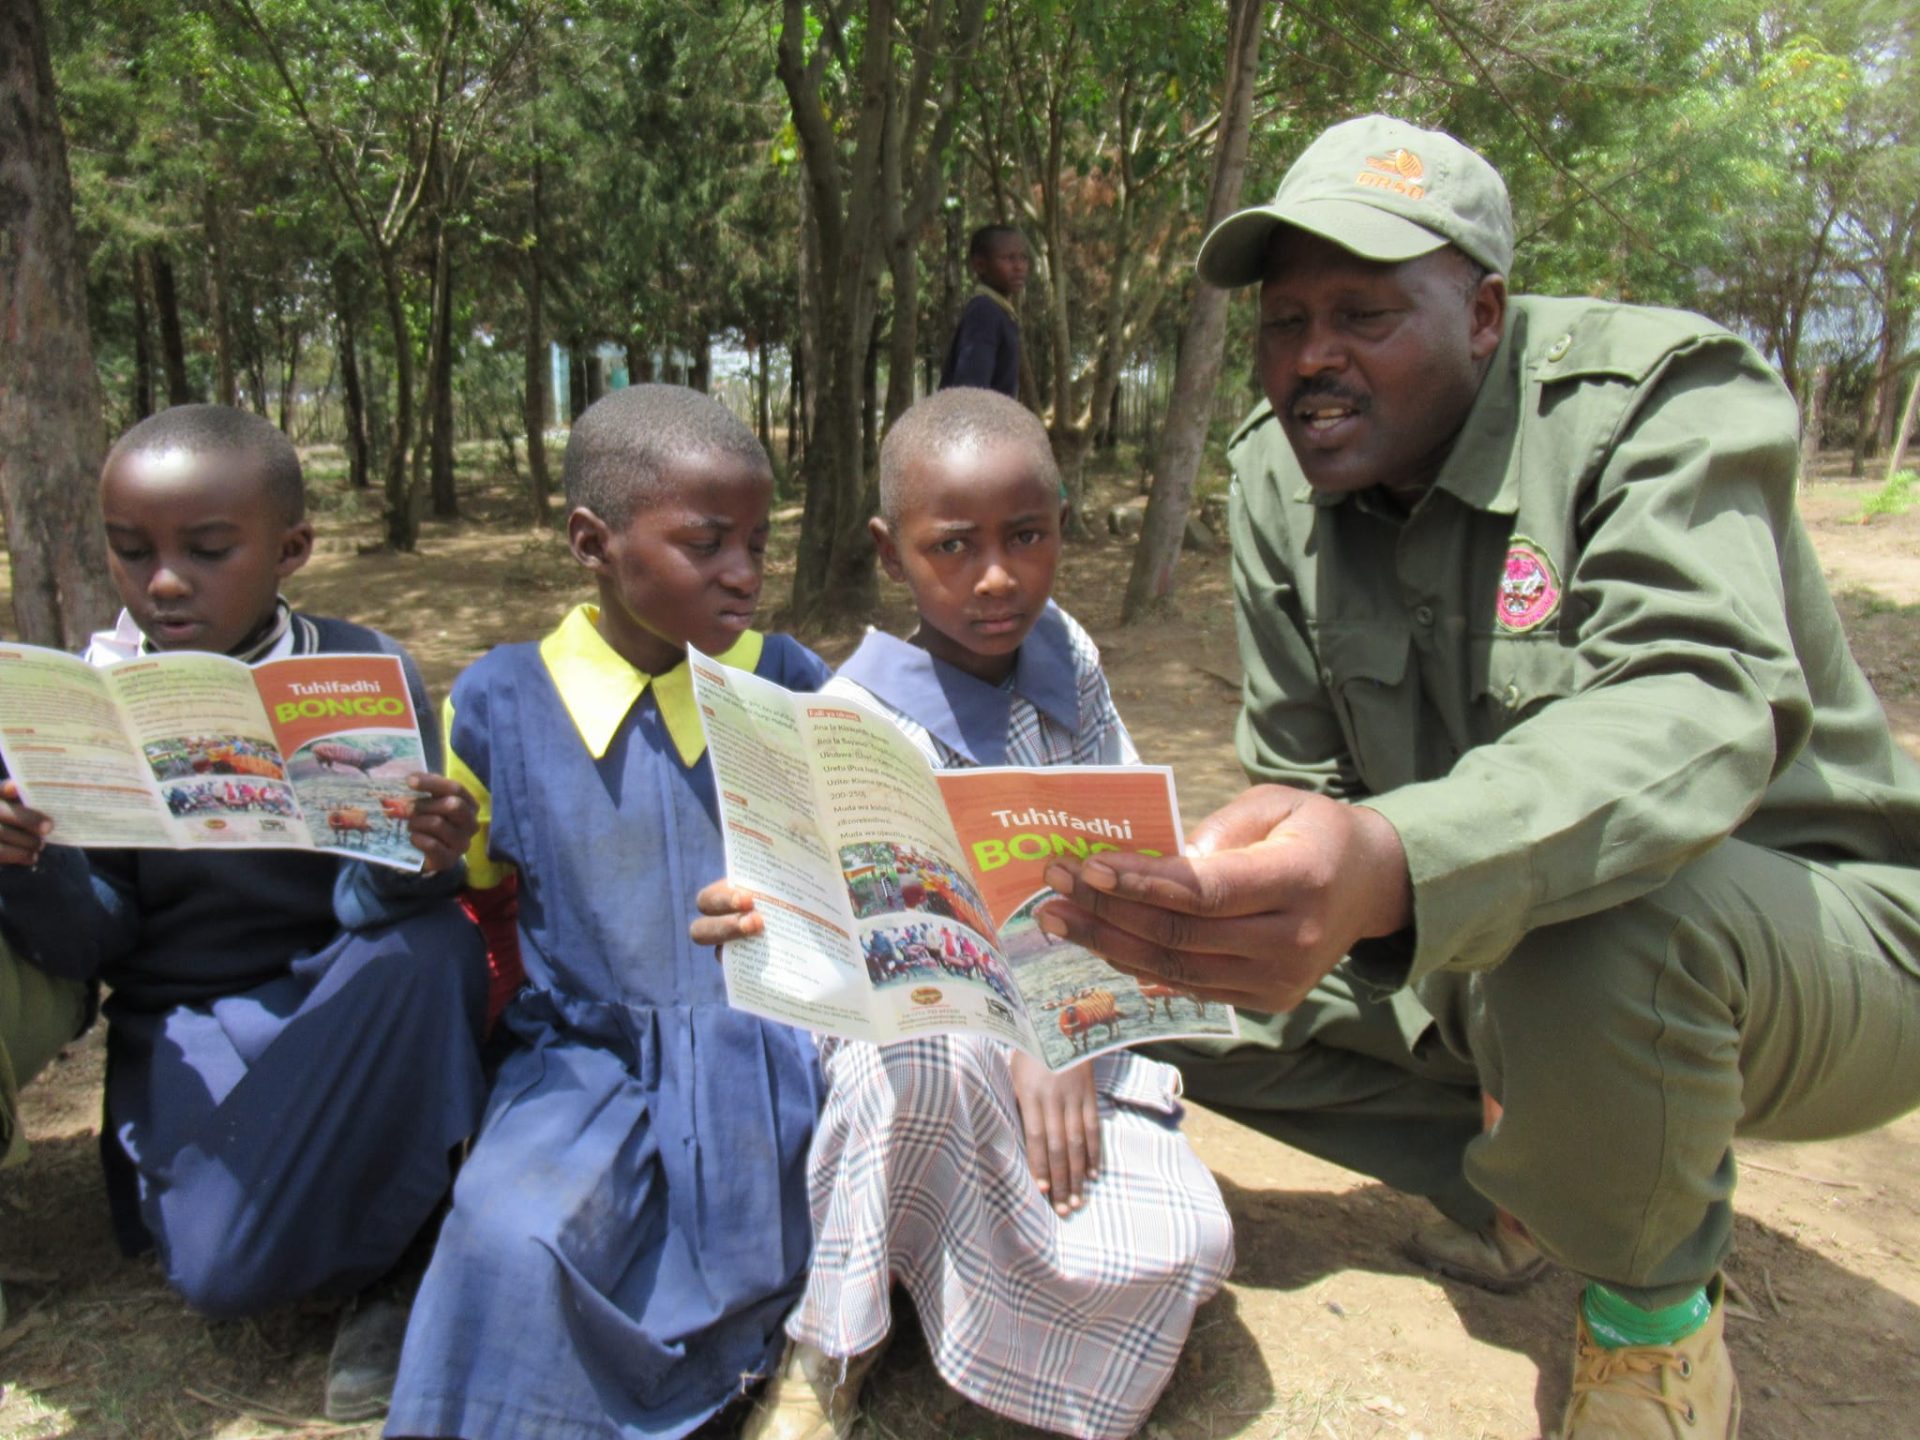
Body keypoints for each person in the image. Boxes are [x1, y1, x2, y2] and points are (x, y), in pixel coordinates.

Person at [1034, 114, 1920, 1439]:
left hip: (1813, 942)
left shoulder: (1661, 403)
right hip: (1481, 956)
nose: (1310, 362)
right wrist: (1241, 883)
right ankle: (1526, 1185)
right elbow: (1304, 781)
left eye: (1364, 315)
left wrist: (1392, 864)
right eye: (1284, 323)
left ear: (1487, 314)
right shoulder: (1280, 481)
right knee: (1139, 980)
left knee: (1611, 918)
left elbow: (1696, 713)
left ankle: (1650, 1332)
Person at [694, 387, 1234, 1440]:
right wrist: (761, 911)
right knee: (913, 1068)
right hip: (921, 1062)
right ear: (892, 555)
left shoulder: (1067, 658)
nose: (997, 577)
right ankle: (833, 1351)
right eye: (953, 547)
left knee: (1195, 1242)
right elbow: (835, 950)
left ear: (1060, 528)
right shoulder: (852, 717)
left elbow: (1118, 868)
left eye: (1026, 536)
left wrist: (1066, 1034)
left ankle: (953, 1288)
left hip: (1071, 1056)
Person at [0, 405, 490, 1421]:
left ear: (290, 550)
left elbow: (371, 908)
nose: (164, 582)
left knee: (430, 946)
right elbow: (100, 935)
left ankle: (401, 1261)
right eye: (132, 553)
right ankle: (388, 1214)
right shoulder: (91, 694)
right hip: (186, 1025)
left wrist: (418, 853)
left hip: (344, 1003)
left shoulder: (360, 670)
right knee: (224, 1277)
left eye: (207, 551)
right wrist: (23, 862)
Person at [384, 386, 834, 1440]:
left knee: (765, 1234)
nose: (746, 572)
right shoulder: (497, 702)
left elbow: (860, 867)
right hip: (586, 1060)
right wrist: (420, 854)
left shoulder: (786, 680)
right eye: (707, 542)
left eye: (759, 542)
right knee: (509, 1234)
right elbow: (454, 890)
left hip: (763, 1050)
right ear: (593, 540)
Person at [941, 225, 1031, 399]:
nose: (1019, 266)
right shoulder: (984, 313)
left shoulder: (1000, 312)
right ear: (980, 265)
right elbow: (971, 391)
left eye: (1023, 258)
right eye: (1008, 258)